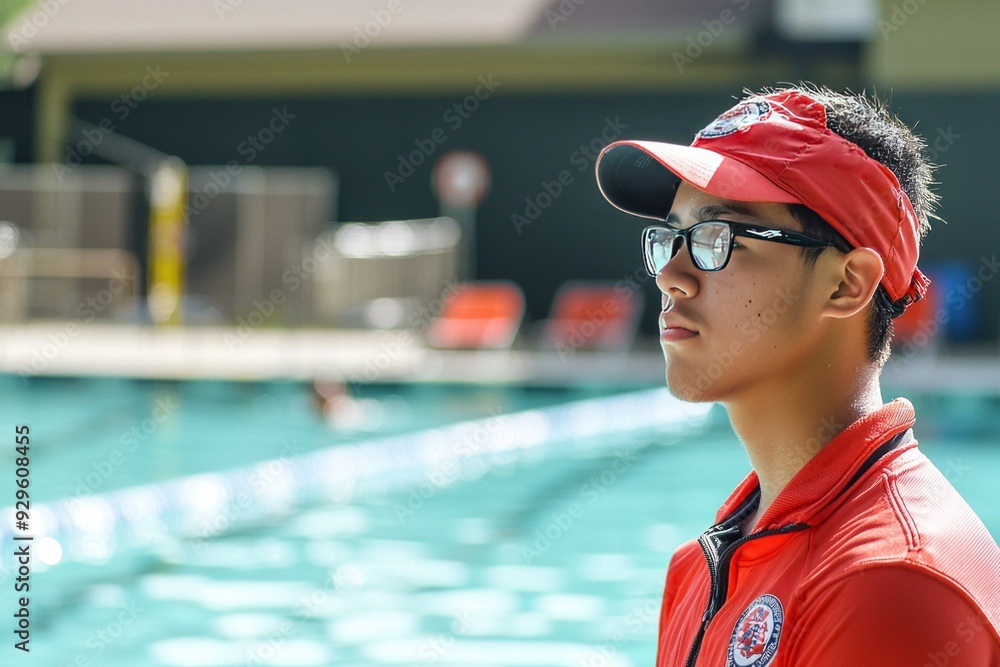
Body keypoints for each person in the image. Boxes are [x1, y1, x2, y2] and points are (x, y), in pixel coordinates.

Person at [594, 85, 1000, 666]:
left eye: (719, 238)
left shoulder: (887, 584)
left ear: (846, 284)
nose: (671, 276)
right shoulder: (704, 566)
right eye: (671, 237)